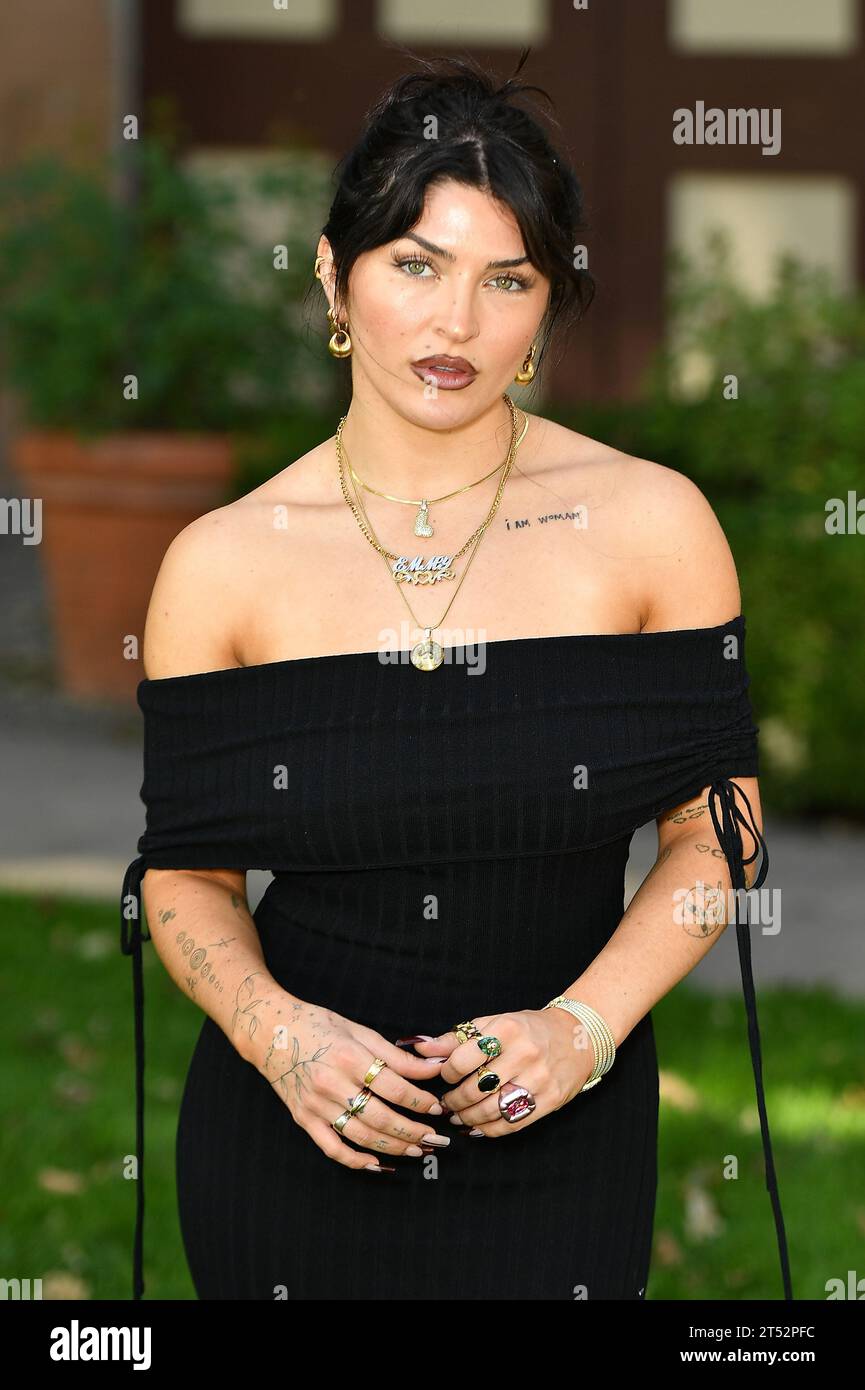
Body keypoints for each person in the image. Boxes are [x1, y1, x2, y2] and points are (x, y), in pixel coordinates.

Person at [120, 55, 791, 1300]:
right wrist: (280, 1039)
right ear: (334, 273)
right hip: (295, 1138)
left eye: (507, 281)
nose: (456, 326)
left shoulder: (653, 525)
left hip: (565, 1134)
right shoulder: (219, 566)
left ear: (549, 303)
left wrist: (581, 1032)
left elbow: (718, 840)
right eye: (415, 266)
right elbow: (184, 877)